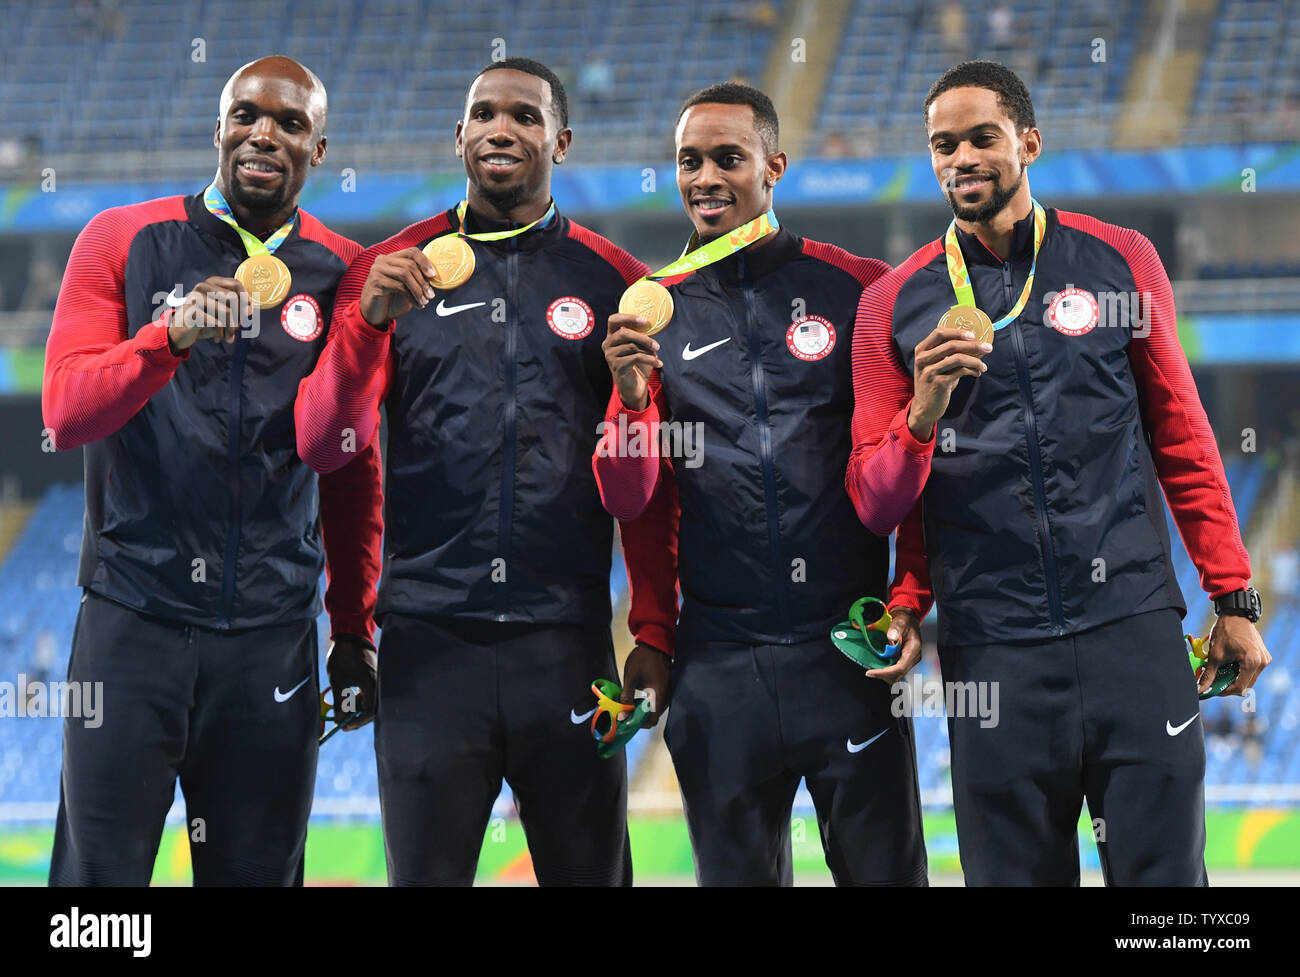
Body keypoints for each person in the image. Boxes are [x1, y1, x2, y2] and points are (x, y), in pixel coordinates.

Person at [847, 60, 1272, 885]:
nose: (960, 158)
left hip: (1133, 630)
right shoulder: (892, 306)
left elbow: (1182, 437)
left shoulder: (1119, 258)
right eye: (943, 145)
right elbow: (875, 499)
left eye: (981, 137)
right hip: (994, 652)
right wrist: (922, 413)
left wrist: (1234, 596)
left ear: (1029, 142)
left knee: (1168, 900)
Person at [294, 57, 676, 886]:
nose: (503, 128)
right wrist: (362, 326)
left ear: (561, 141)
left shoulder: (616, 283)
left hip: (567, 644)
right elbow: (328, 446)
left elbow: (645, 494)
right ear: (459, 134)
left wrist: (650, 624)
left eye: (526, 116)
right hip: (429, 650)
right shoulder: (388, 268)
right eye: (484, 113)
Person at [43, 56, 383, 885]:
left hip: (271, 638)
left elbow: (350, 466)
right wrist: (169, 337)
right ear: (219, 128)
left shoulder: (346, 273)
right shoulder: (121, 239)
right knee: (97, 895)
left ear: (320, 146)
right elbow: (66, 410)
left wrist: (352, 629)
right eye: (247, 115)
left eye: (290, 122)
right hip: (132, 621)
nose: (264, 133)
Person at [593, 83, 927, 886]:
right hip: (721, 664)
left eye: (727, 158)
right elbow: (634, 501)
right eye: (688, 161)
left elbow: (914, 459)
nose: (704, 177)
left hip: (847, 652)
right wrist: (654, 630)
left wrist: (911, 596)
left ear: (774, 166)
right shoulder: (651, 311)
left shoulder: (861, 290)